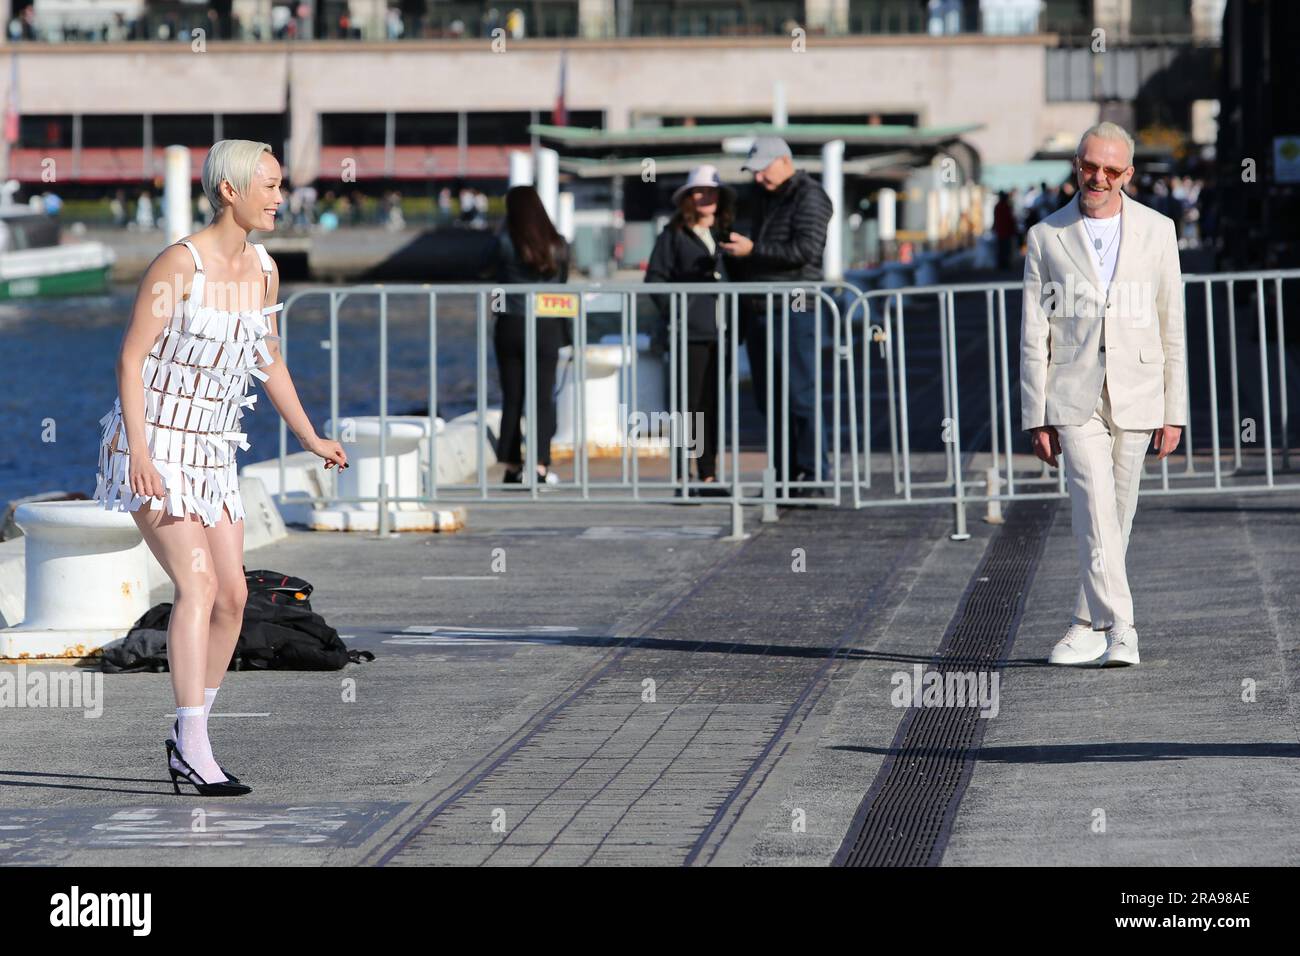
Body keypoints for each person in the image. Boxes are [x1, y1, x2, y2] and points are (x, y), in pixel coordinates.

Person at [92, 140, 348, 795]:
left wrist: (311, 435)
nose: (280, 198)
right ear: (230, 190)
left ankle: (189, 737)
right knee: (198, 585)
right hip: (151, 445)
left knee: (234, 597)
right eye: (268, 185)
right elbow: (130, 360)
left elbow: (271, 361)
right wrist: (142, 454)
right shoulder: (180, 265)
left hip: (213, 452)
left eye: (281, 185)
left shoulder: (263, 270)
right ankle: (196, 745)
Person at [1020, 122, 1186, 668]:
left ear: (1128, 175)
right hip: (1073, 393)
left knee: (1117, 517)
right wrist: (1034, 416)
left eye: (1112, 170)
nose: (1099, 177)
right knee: (1093, 506)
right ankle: (1124, 630)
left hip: (1139, 391)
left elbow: (1172, 325)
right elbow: (1034, 331)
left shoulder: (1158, 231)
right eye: (1091, 166)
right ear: (1077, 165)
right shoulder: (1047, 236)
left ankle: (1084, 623)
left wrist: (1174, 410)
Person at [721, 136, 834, 496]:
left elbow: (805, 250)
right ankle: (785, 477)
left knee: (800, 394)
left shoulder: (811, 197)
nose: (758, 179)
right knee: (771, 399)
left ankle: (814, 475)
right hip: (762, 307)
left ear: (784, 162)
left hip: (795, 306)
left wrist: (753, 250)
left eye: (763, 170)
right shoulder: (762, 198)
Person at [644, 164, 736, 492]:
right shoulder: (673, 234)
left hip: (722, 332)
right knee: (688, 404)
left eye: (712, 191)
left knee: (713, 403)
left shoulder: (729, 233)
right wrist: (678, 310)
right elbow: (654, 280)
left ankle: (709, 474)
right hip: (688, 333)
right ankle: (684, 475)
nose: (706, 196)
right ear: (688, 197)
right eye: (699, 191)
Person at [487, 185, 571, 484]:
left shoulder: (503, 242)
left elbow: (486, 270)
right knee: (542, 397)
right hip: (547, 323)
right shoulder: (557, 244)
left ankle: (511, 465)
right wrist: (567, 334)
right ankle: (539, 465)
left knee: (513, 396)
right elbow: (563, 287)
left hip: (510, 323)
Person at [992, 190, 1017, 270]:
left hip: (1001, 231)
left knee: (1001, 249)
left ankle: (1002, 264)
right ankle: (1005, 264)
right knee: (1006, 249)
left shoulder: (998, 206)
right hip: (1006, 231)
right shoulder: (1007, 206)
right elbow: (1010, 219)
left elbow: (996, 219)